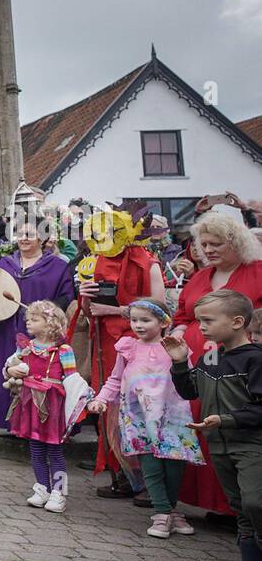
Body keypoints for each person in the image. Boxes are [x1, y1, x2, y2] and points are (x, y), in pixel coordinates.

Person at [168, 290, 262, 561]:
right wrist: (180, 362)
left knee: (255, 503)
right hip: (219, 447)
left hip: (251, 445)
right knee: (242, 511)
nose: (201, 327)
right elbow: (189, 391)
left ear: (237, 322)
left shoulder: (255, 359)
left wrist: (226, 420)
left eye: (208, 320)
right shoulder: (212, 358)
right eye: (199, 321)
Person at [169, 213, 262, 517]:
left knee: (234, 421)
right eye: (204, 244)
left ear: (236, 242)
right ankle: (216, 504)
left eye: (216, 244)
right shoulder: (199, 277)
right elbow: (183, 313)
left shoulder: (257, 272)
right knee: (207, 424)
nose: (207, 250)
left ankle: (239, 508)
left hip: (244, 362)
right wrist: (180, 331)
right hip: (202, 361)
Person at [89, 299, 202, 538]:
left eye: (145, 320)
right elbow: (116, 379)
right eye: (134, 320)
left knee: (173, 465)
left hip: (171, 415)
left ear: (163, 322)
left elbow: (189, 379)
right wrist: (101, 398)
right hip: (139, 416)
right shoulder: (128, 347)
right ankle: (161, 513)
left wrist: (180, 359)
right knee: (150, 466)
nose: (138, 325)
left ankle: (171, 509)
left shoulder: (175, 346)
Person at [80, 204, 167, 499]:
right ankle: (124, 475)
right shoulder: (97, 261)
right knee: (109, 409)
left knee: (140, 408)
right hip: (105, 344)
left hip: (140, 343)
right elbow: (89, 311)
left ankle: (150, 483)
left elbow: (160, 306)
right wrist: (85, 298)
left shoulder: (146, 261)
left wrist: (116, 309)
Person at [0, 220, 75, 442]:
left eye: (30, 234)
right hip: (2, 327)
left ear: (43, 238)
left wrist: (45, 314)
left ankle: (25, 426)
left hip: (36, 331)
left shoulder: (57, 266)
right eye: (19, 233)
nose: (24, 238)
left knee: (32, 375)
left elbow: (66, 296)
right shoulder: (3, 265)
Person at [2, 301, 77, 513]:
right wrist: (10, 371)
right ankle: (43, 487)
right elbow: (9, 367)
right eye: (28, 319)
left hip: (53, 406)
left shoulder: (63, 350)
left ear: (50, 322)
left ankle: (59, 492)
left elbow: (72, 379)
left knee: (54, 450)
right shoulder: (26, 346)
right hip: (30, 403)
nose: (29, 322)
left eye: (35, 319)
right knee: (35, 448)